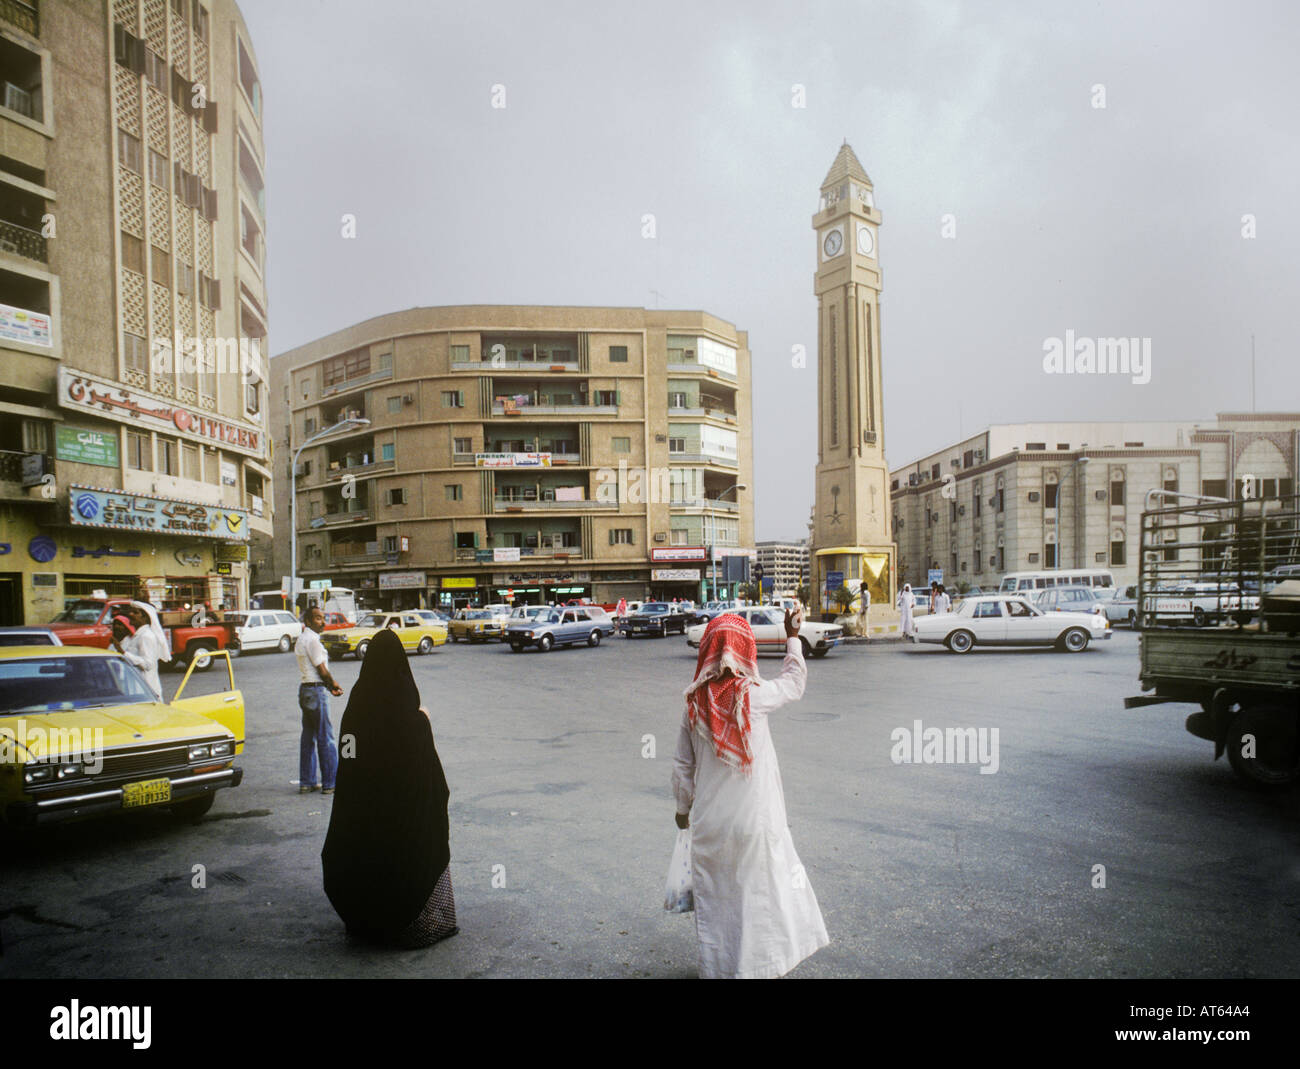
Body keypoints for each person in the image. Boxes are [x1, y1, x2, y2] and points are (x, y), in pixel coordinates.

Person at [671, 610, 829, 979]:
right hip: (755, 823)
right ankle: (760, 968)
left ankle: (722, 971)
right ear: (745, 650)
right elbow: (794, 682)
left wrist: (682, 812)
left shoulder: (693, 704)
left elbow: (682, 766)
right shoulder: (754, 696)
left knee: (720, 903)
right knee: (759, 899)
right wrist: (792, 635)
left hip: (711, 825)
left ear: (708, 650)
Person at [321, 628, 457, 948]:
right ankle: (412, 919)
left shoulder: (354, 715)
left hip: (363, 830)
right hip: (404, 843)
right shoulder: (413, 724)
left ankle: (367, 918)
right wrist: (423, 724)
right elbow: (434, 786)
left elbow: (349, 760)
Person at [296, 605, 343, 795]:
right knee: (326, 738)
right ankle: (330, 783)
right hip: (317, 690)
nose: (322, 622)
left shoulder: (301, 639)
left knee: (308, 737)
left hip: (305, 690)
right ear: (307, 621)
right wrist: (333, 685)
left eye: (323, 618)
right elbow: (322, 670)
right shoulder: (313, 640)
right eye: (317, 618)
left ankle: (306, 782)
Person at [119, 603, 167, 701]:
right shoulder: (135, 636)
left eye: (135, 612)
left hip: (145, 689)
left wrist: (124, 654)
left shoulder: (146, 636)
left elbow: (148, 664)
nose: (131, 614)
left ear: (145, 618)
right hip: (136, 687)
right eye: (131, 611)